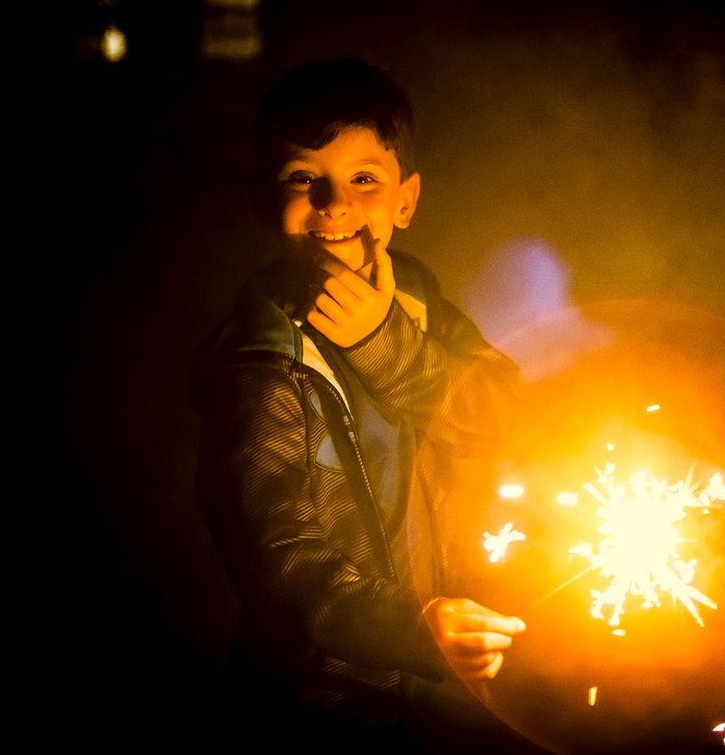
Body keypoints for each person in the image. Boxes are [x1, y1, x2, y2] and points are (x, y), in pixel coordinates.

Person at [192, 56, 542, 752]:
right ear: (265, 197)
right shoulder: (259, 360)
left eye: (363, 180)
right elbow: (280, 562)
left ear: (405, 201)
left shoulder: (419, 304)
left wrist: (388, 342)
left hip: (440, 698)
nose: (334, 206)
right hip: (321, 708)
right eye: (303, 179)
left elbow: (502, 419)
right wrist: (413, 628)